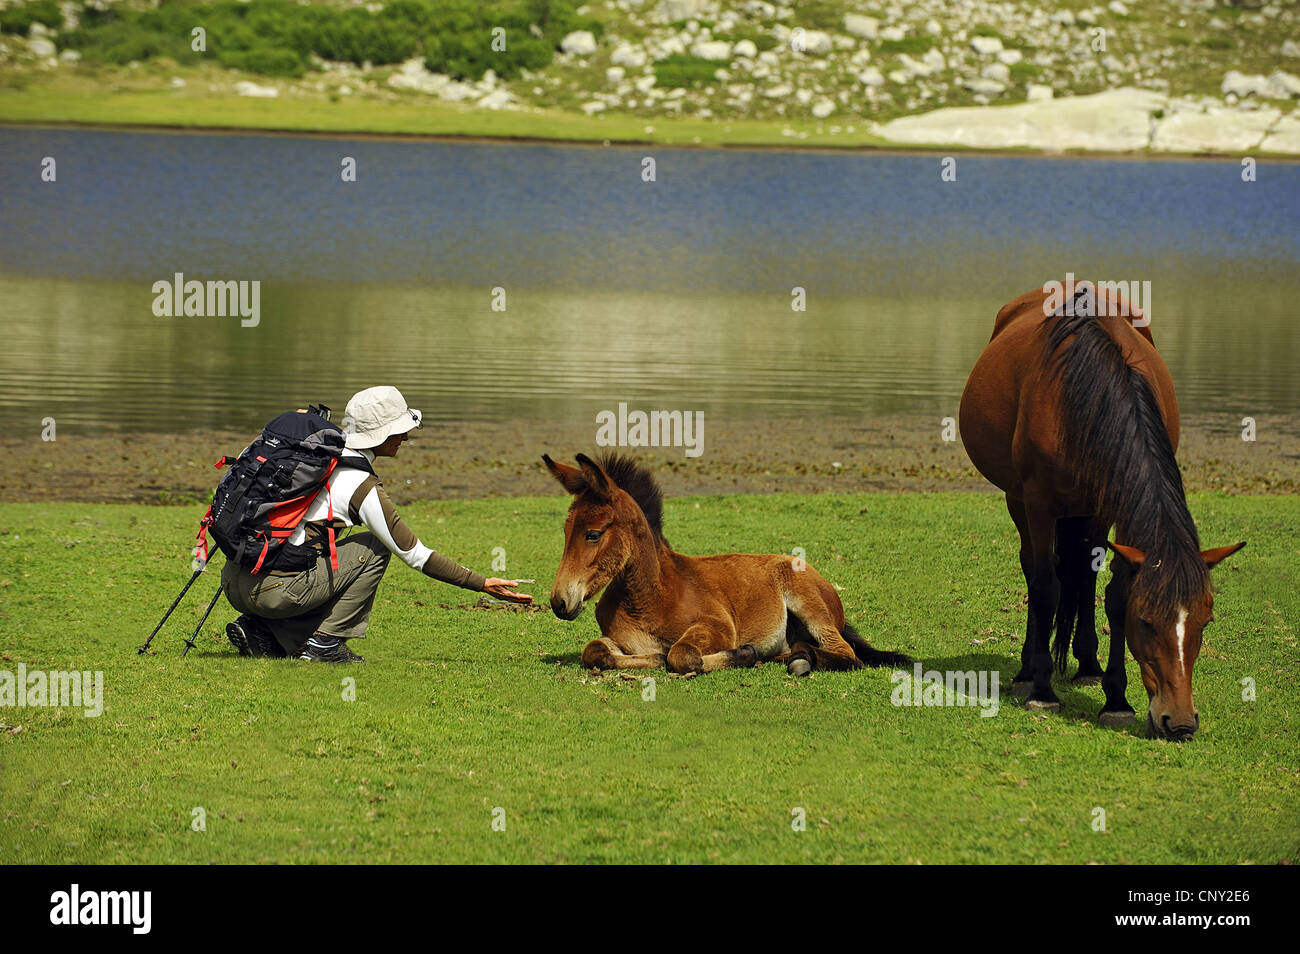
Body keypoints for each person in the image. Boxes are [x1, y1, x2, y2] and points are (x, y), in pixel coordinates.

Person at [222, 386, 532, 662]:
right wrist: (481, 583)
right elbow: (415, 555)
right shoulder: (359, 483)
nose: (406, 437)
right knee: (374, 548)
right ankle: (325, 643)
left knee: (316, 552)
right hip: (272, 594)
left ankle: (264, 631)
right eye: (400, 430)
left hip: (233, 583)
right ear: (381, 434)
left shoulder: (309, 454)